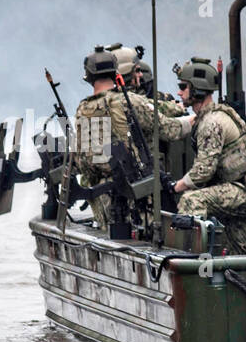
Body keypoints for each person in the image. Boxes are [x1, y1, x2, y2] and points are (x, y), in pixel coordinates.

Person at [71, 46, 193, 229]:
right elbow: (170, 129)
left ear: (88, 76)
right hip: (135, 200)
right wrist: (195, 118)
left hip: (102, 200)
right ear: (115, 72)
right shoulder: (129, 101)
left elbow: (84, 160)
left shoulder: (82, 109)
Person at [170, 57, 246, 253]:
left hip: (242, 191)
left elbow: (202, 172)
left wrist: (175, 187)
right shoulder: (210, 117)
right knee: (239, 247)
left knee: (191, 200)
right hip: (241, 188)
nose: (179, 92)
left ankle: (192, 262)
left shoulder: (211, 123)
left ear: (197, 89)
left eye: (183, 86)